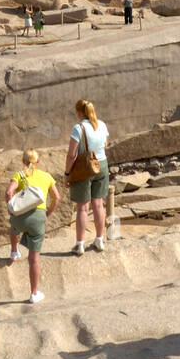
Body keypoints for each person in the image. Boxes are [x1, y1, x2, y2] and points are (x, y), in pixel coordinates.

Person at [6, 148, 60, 304]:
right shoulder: (46, 176)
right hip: (38, 217)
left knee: (13, 229)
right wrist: (47, 214)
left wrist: (11, 210)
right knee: (34, 259)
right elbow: (57, 198)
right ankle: (34, 294)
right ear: (38, 162)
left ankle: (14, 252)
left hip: (20, 216)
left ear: (23, 161)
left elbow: (9, 193)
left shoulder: (20, 175)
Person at [65, 99, 109, 256]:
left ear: (78, 113)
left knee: (83, 207)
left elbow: (72, 155)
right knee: (98, 204)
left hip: (85, 168)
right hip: (102, 165)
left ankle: (80, 244)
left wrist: (67, 173)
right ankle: (99, 239)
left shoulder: (78, 128)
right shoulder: (102, 124)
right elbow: (105, 145)